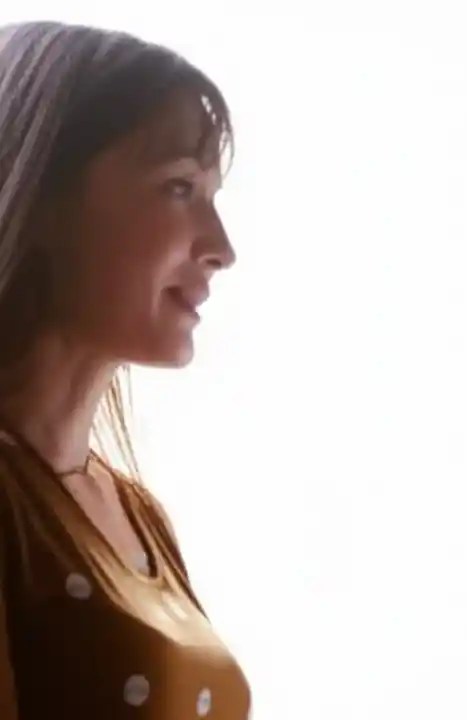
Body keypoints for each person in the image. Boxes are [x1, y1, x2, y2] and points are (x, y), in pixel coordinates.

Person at [0, 21, 249, 718]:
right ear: (41, 194)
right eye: (178, 188)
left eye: (212, 194)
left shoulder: (139, 515)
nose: (221, 247)